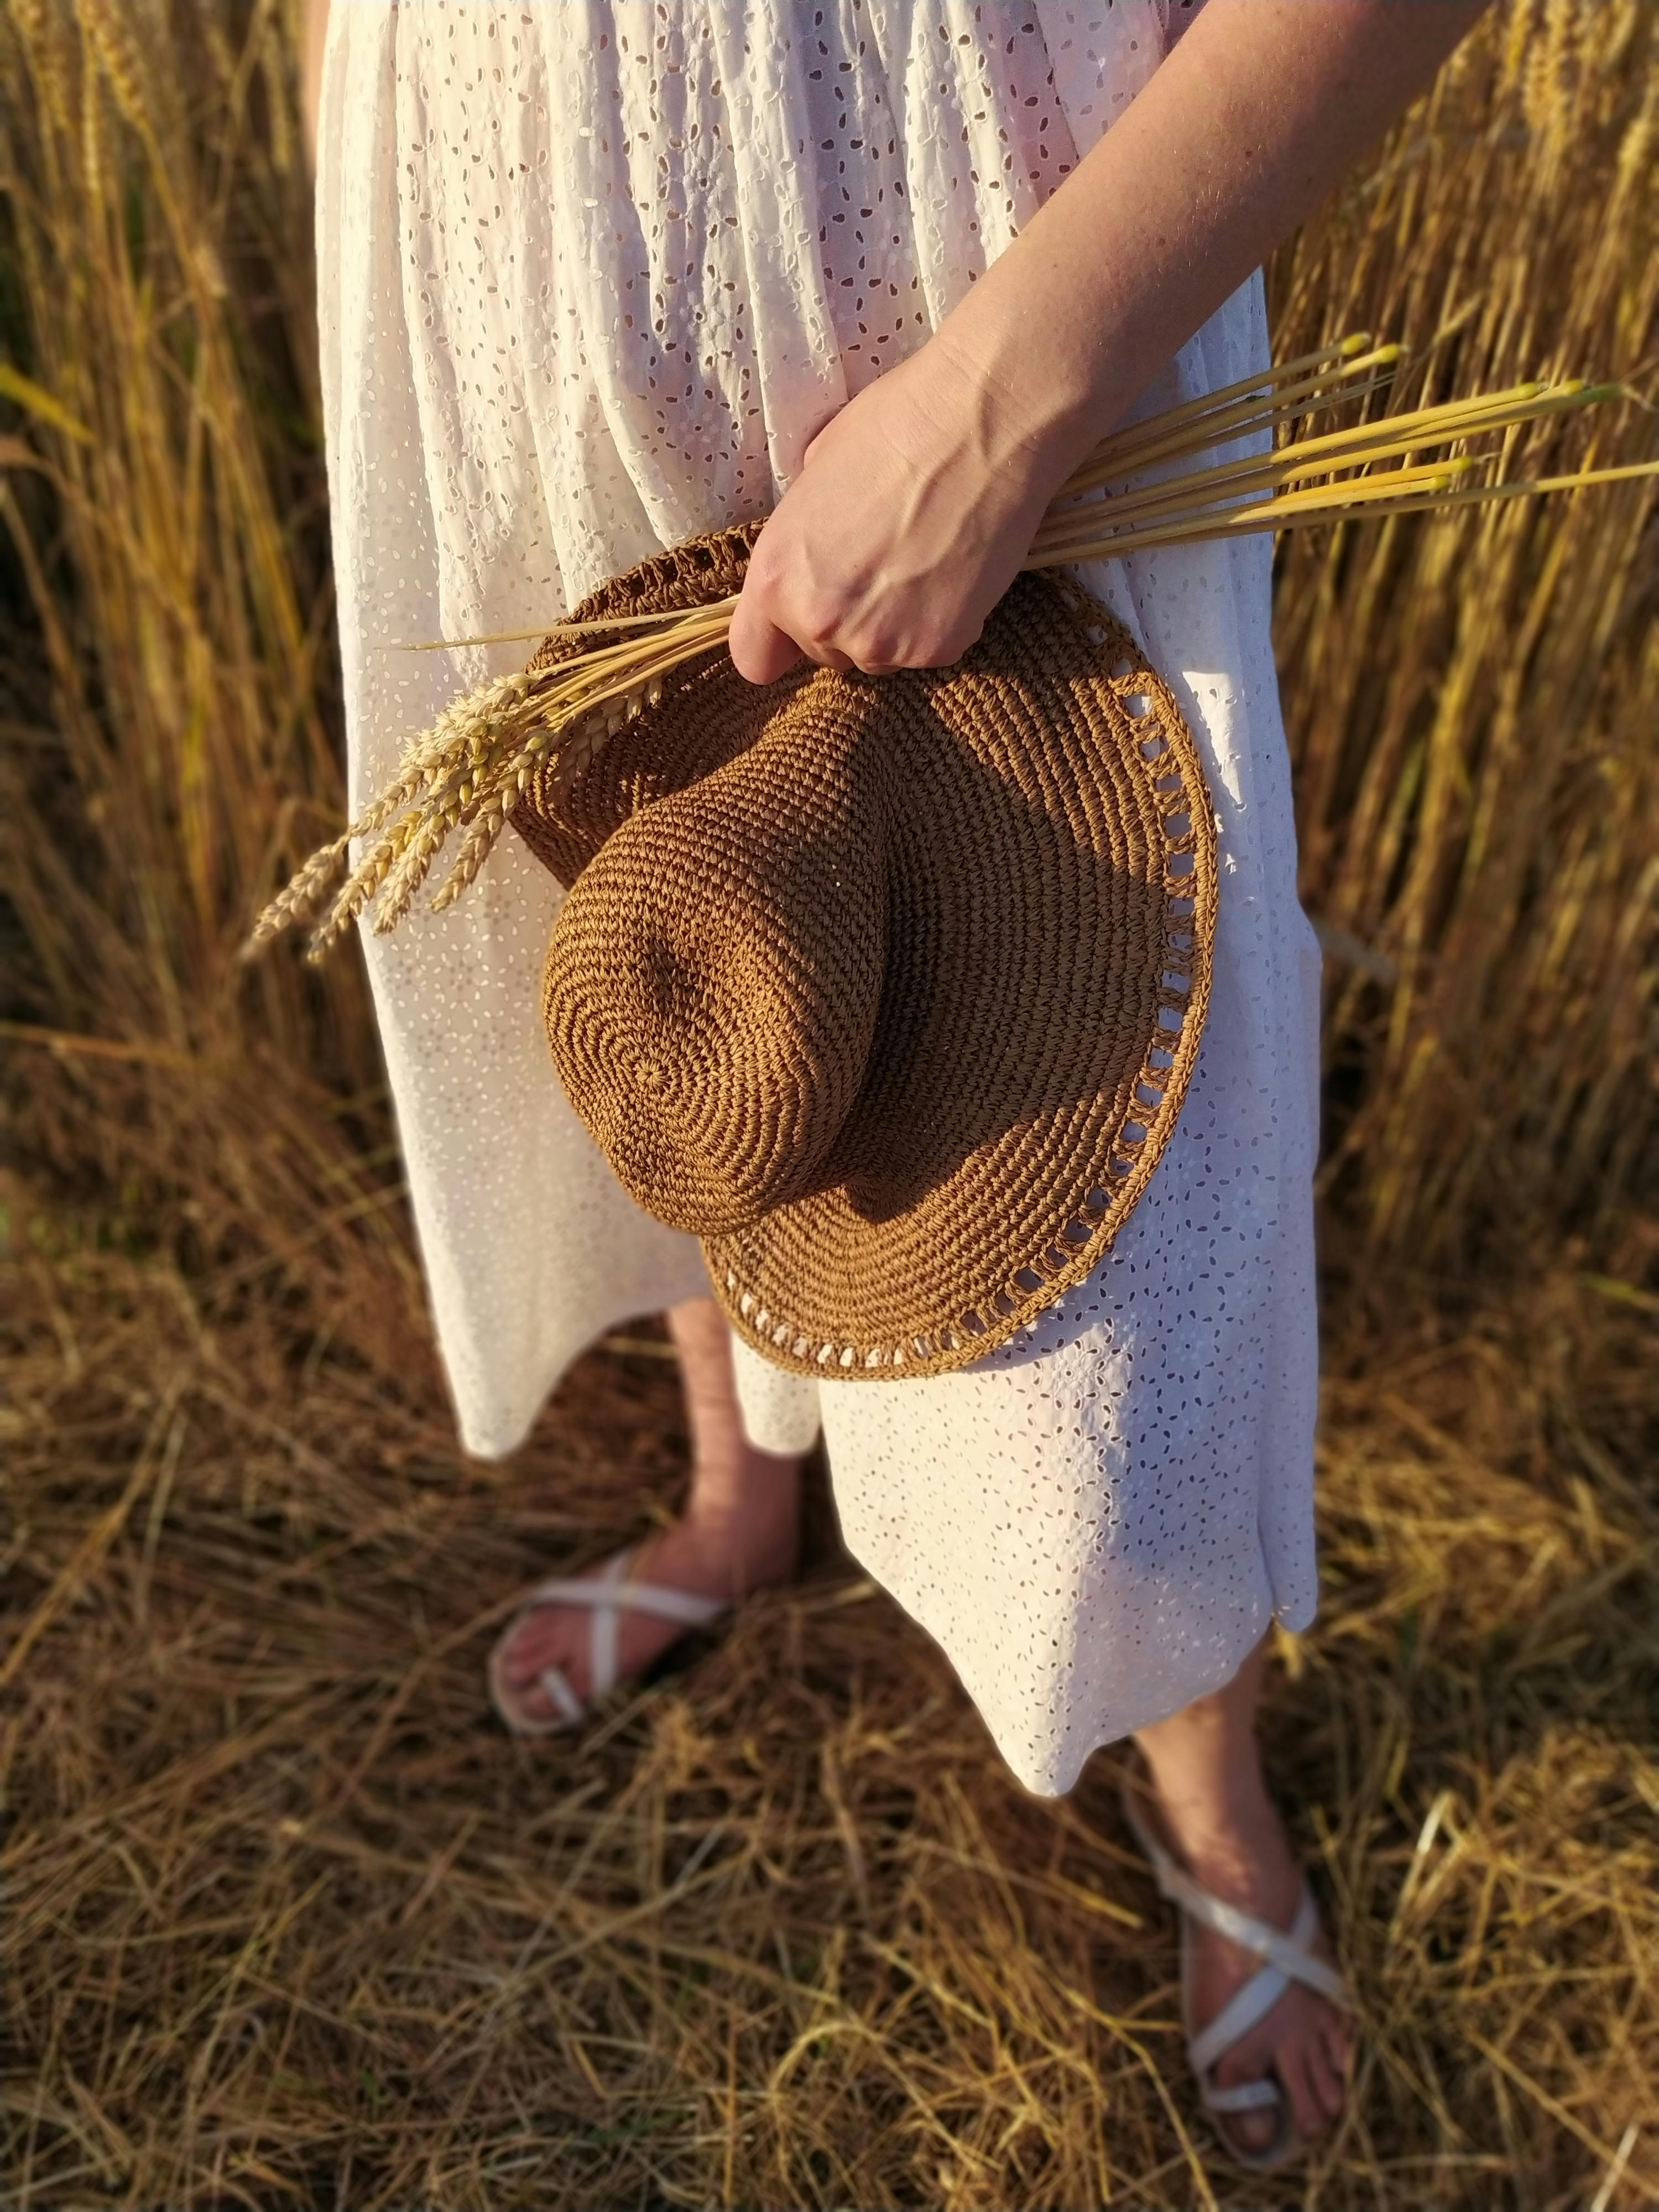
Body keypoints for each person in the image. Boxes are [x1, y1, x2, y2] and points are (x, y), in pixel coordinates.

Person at [301, 0, 1488, 2166]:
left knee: (1096, 1062)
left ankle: (1211, 1797)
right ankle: (743, 1485)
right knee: (677, 941)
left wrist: (1001, 392)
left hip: (953, 226)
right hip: (474, 212)